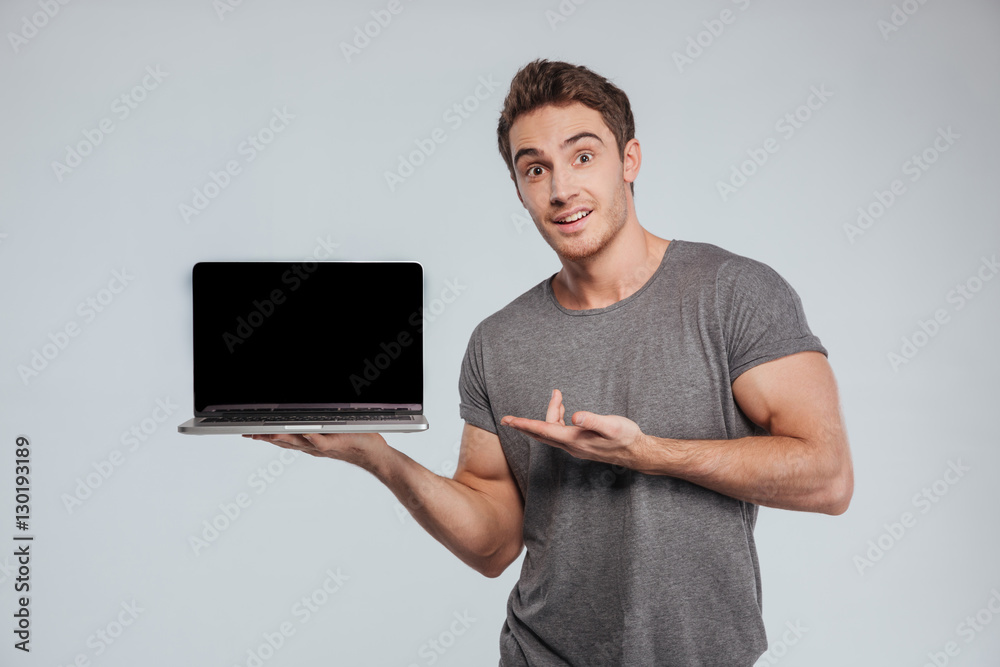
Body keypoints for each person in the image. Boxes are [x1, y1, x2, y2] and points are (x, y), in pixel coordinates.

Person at [248, 59, 854, 666]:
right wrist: (377, 456)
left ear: (630, 160)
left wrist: (647, 454)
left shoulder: (733, 292)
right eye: (536, 168)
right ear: (519, 188)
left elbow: (827, 477)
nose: (561, 189)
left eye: (583, 156)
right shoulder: (498, 341)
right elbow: (492, 545)